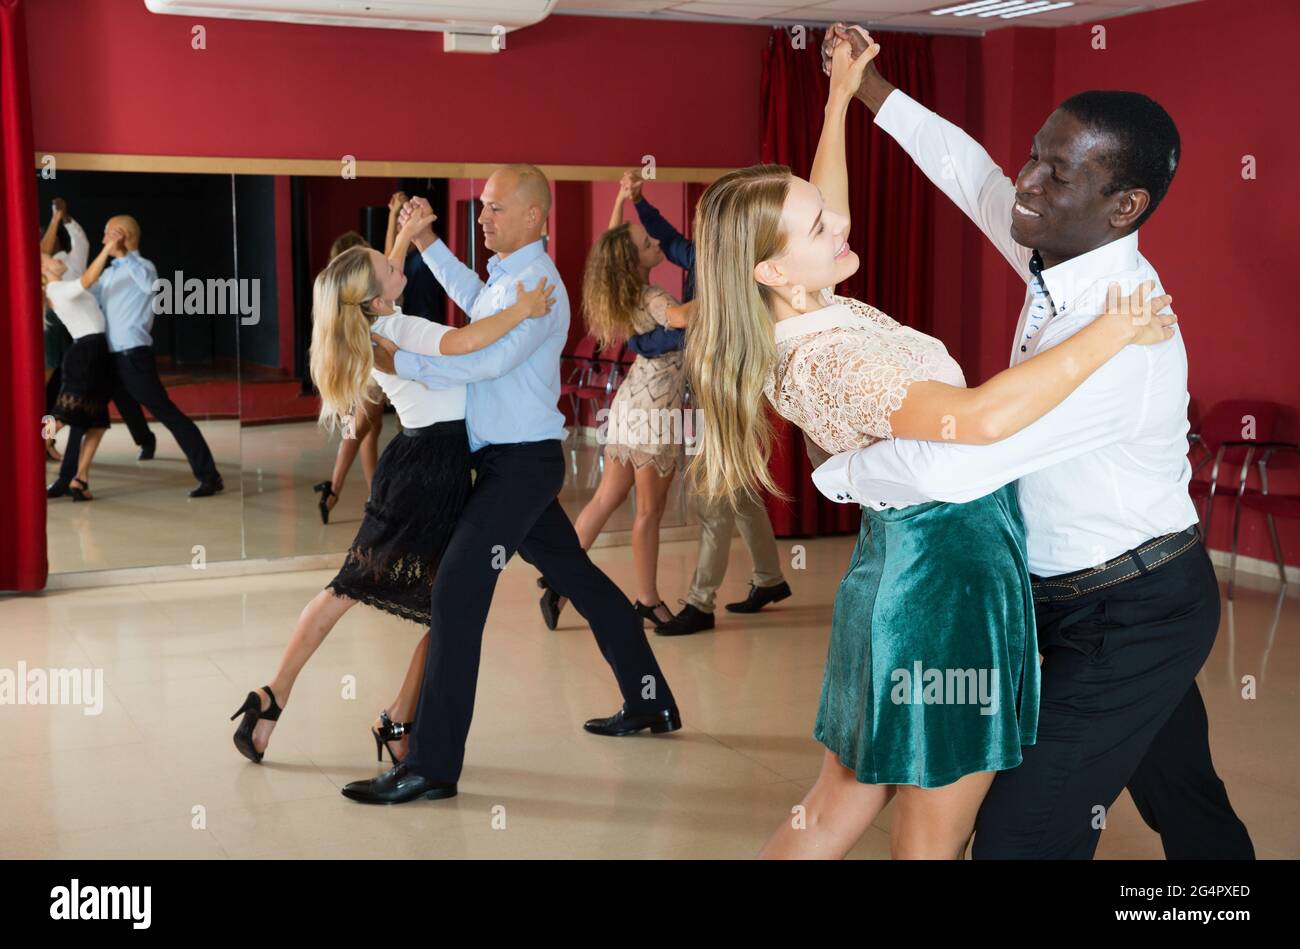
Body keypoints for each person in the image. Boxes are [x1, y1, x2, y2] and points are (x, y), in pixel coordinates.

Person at [686, 30, 1176, 860]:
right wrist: (1112, 333)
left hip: (906, 573)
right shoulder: (829, 354)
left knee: (841, 798)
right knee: (930, 833)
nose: (839, 221)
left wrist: (845, 97)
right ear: (776, 269)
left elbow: (849, 205)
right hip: (946, 589)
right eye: (817, 224)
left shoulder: (802, 305)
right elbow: (980, 422)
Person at [812, 23, 1254, 860]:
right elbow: (966, 169)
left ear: (1124, 207)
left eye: (1058, 170)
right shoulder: (1056, 249)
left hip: (1133, 610)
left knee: (1022, 836)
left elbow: (962, 456)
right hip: (1063, 596)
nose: (1027, 180)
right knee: (1187, 802)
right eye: (1034, 155)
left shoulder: (1124, 332)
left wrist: (838, 466)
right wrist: (866, 87)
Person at [341, 164, 681, 805]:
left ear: (534, 217)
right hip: (510, 465)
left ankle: (432, 767)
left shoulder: (538, 284)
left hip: (518, 469)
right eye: (483, 208)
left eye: (495, 208)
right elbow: (477, 302)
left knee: (456, 593)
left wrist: (393, 358)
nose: (481, 217)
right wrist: (424, 246)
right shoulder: (508, 279)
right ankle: (649, 700)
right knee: (577, 578)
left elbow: (485, 358)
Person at [231, 213, 558, 764]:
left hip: (413, 463)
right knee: (451, 605)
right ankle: (394, 719)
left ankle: (276, 696)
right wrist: (522, 310)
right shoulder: (402, 329)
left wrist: (404, 235)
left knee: (353, 589)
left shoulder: (373, 326)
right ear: (376, 298)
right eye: (387, 265)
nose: (394, 259)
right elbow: (464, 341)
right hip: (434, 471)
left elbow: (386, 276)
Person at [616, 169, 793, 637]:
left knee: (715, 496)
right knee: (738, 488)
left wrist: (645, 344)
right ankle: (769, 578)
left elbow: (692, 327)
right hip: (713, 385)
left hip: (728, 386)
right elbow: (668, 238)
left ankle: (700, 602)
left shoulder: (741, 270)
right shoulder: (701, 256)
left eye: (705, 217)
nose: (696, 226)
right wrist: (638, 201)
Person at [536, 180, 689, 631]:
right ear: (634, 260)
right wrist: (725, 295)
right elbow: (683, 319)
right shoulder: (655, 297)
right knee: (648, 513)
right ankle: (647, 600)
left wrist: (623, 201)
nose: (655, 241)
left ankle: (560, 583)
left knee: (606, 498)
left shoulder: (621, 296)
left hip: (628, 404)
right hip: (654, 411)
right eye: (647, 242)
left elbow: (611, 245)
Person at [51, 215, 223, 498]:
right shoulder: (108, 273)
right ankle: (70, 480)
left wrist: (122, 252)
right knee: (86, 417)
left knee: (168, 414)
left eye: (107, 233)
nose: (103, 238)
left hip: (133, 358)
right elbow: (83, 288)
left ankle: (209, 476)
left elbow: (150, 288)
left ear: (121, 235)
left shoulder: (143, 267)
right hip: (106, 359)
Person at [313, 229, 385, 523]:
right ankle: (334, 488)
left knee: (368, 430)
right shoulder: (363, 290)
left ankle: (375, 497)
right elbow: (393, 250)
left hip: (353, 368)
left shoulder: (335, 290)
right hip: (368, 369)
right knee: (357, 430)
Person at [40, 246, 114, 501]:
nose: (57, 259)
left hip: (95, 351)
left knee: (97, 422)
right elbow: (88, 278)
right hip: (84, 353)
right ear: (44, 270)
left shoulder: (63, 286)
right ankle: (35, 444)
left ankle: (78, 480)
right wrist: (109, 248)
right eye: (50, 258)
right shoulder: (56, 289)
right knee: (62, 416)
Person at [39, 198, 88, 462]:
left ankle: (47, 441)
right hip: (48, 334)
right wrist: (56, 219)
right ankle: (39, 442)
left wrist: (62, 219)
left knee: (57, 394)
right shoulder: (38, 265)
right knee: (42, 392)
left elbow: (81, 243)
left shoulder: (69, 262)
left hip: (68, 335)